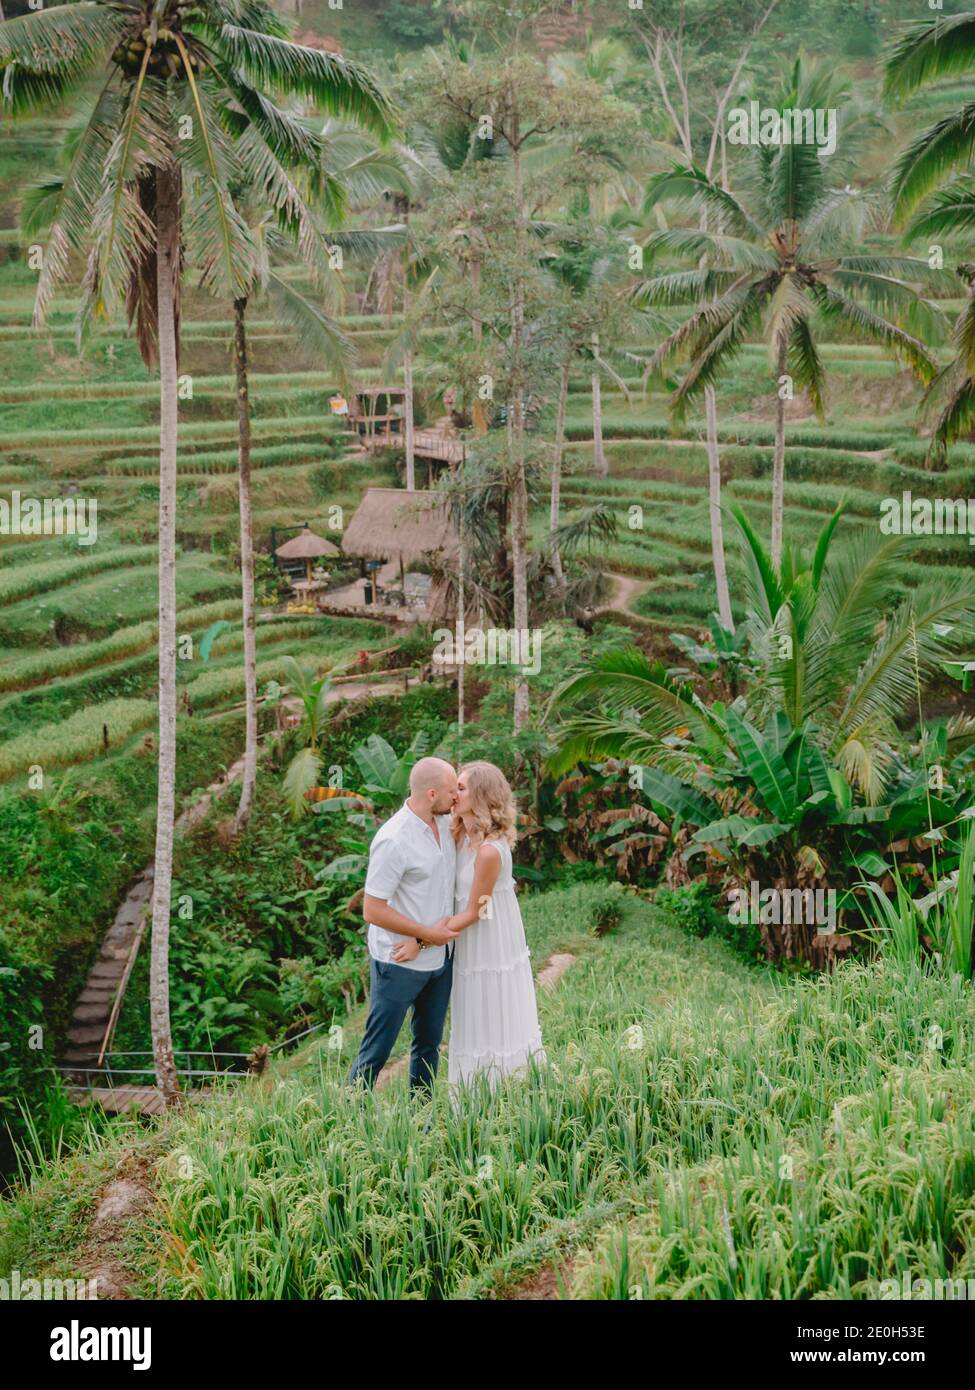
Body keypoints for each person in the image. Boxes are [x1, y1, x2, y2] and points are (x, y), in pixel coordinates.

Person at [393, 761, 545, 1092]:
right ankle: (475, 1092)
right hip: (469, 937)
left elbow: (476, 911)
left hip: (487, 937)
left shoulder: (490, 851)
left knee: (490, 1008)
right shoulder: (460, 831)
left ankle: (498, 1089)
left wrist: (420, 941)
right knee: (471, 1014)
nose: (453, 793)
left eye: (460, 788)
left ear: (480, 796)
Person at [347, 757, 460, 1092]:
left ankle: (421, 1119)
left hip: (440, 958)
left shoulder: (447, 824)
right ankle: (352, 1117)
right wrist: (425, 935)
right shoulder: (393, 839)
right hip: (398, 962)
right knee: (377, 1050)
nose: (457, 796)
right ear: (431, 793)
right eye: (452, 790)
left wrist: (429, 941)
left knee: (428, 1045)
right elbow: (372, 909)